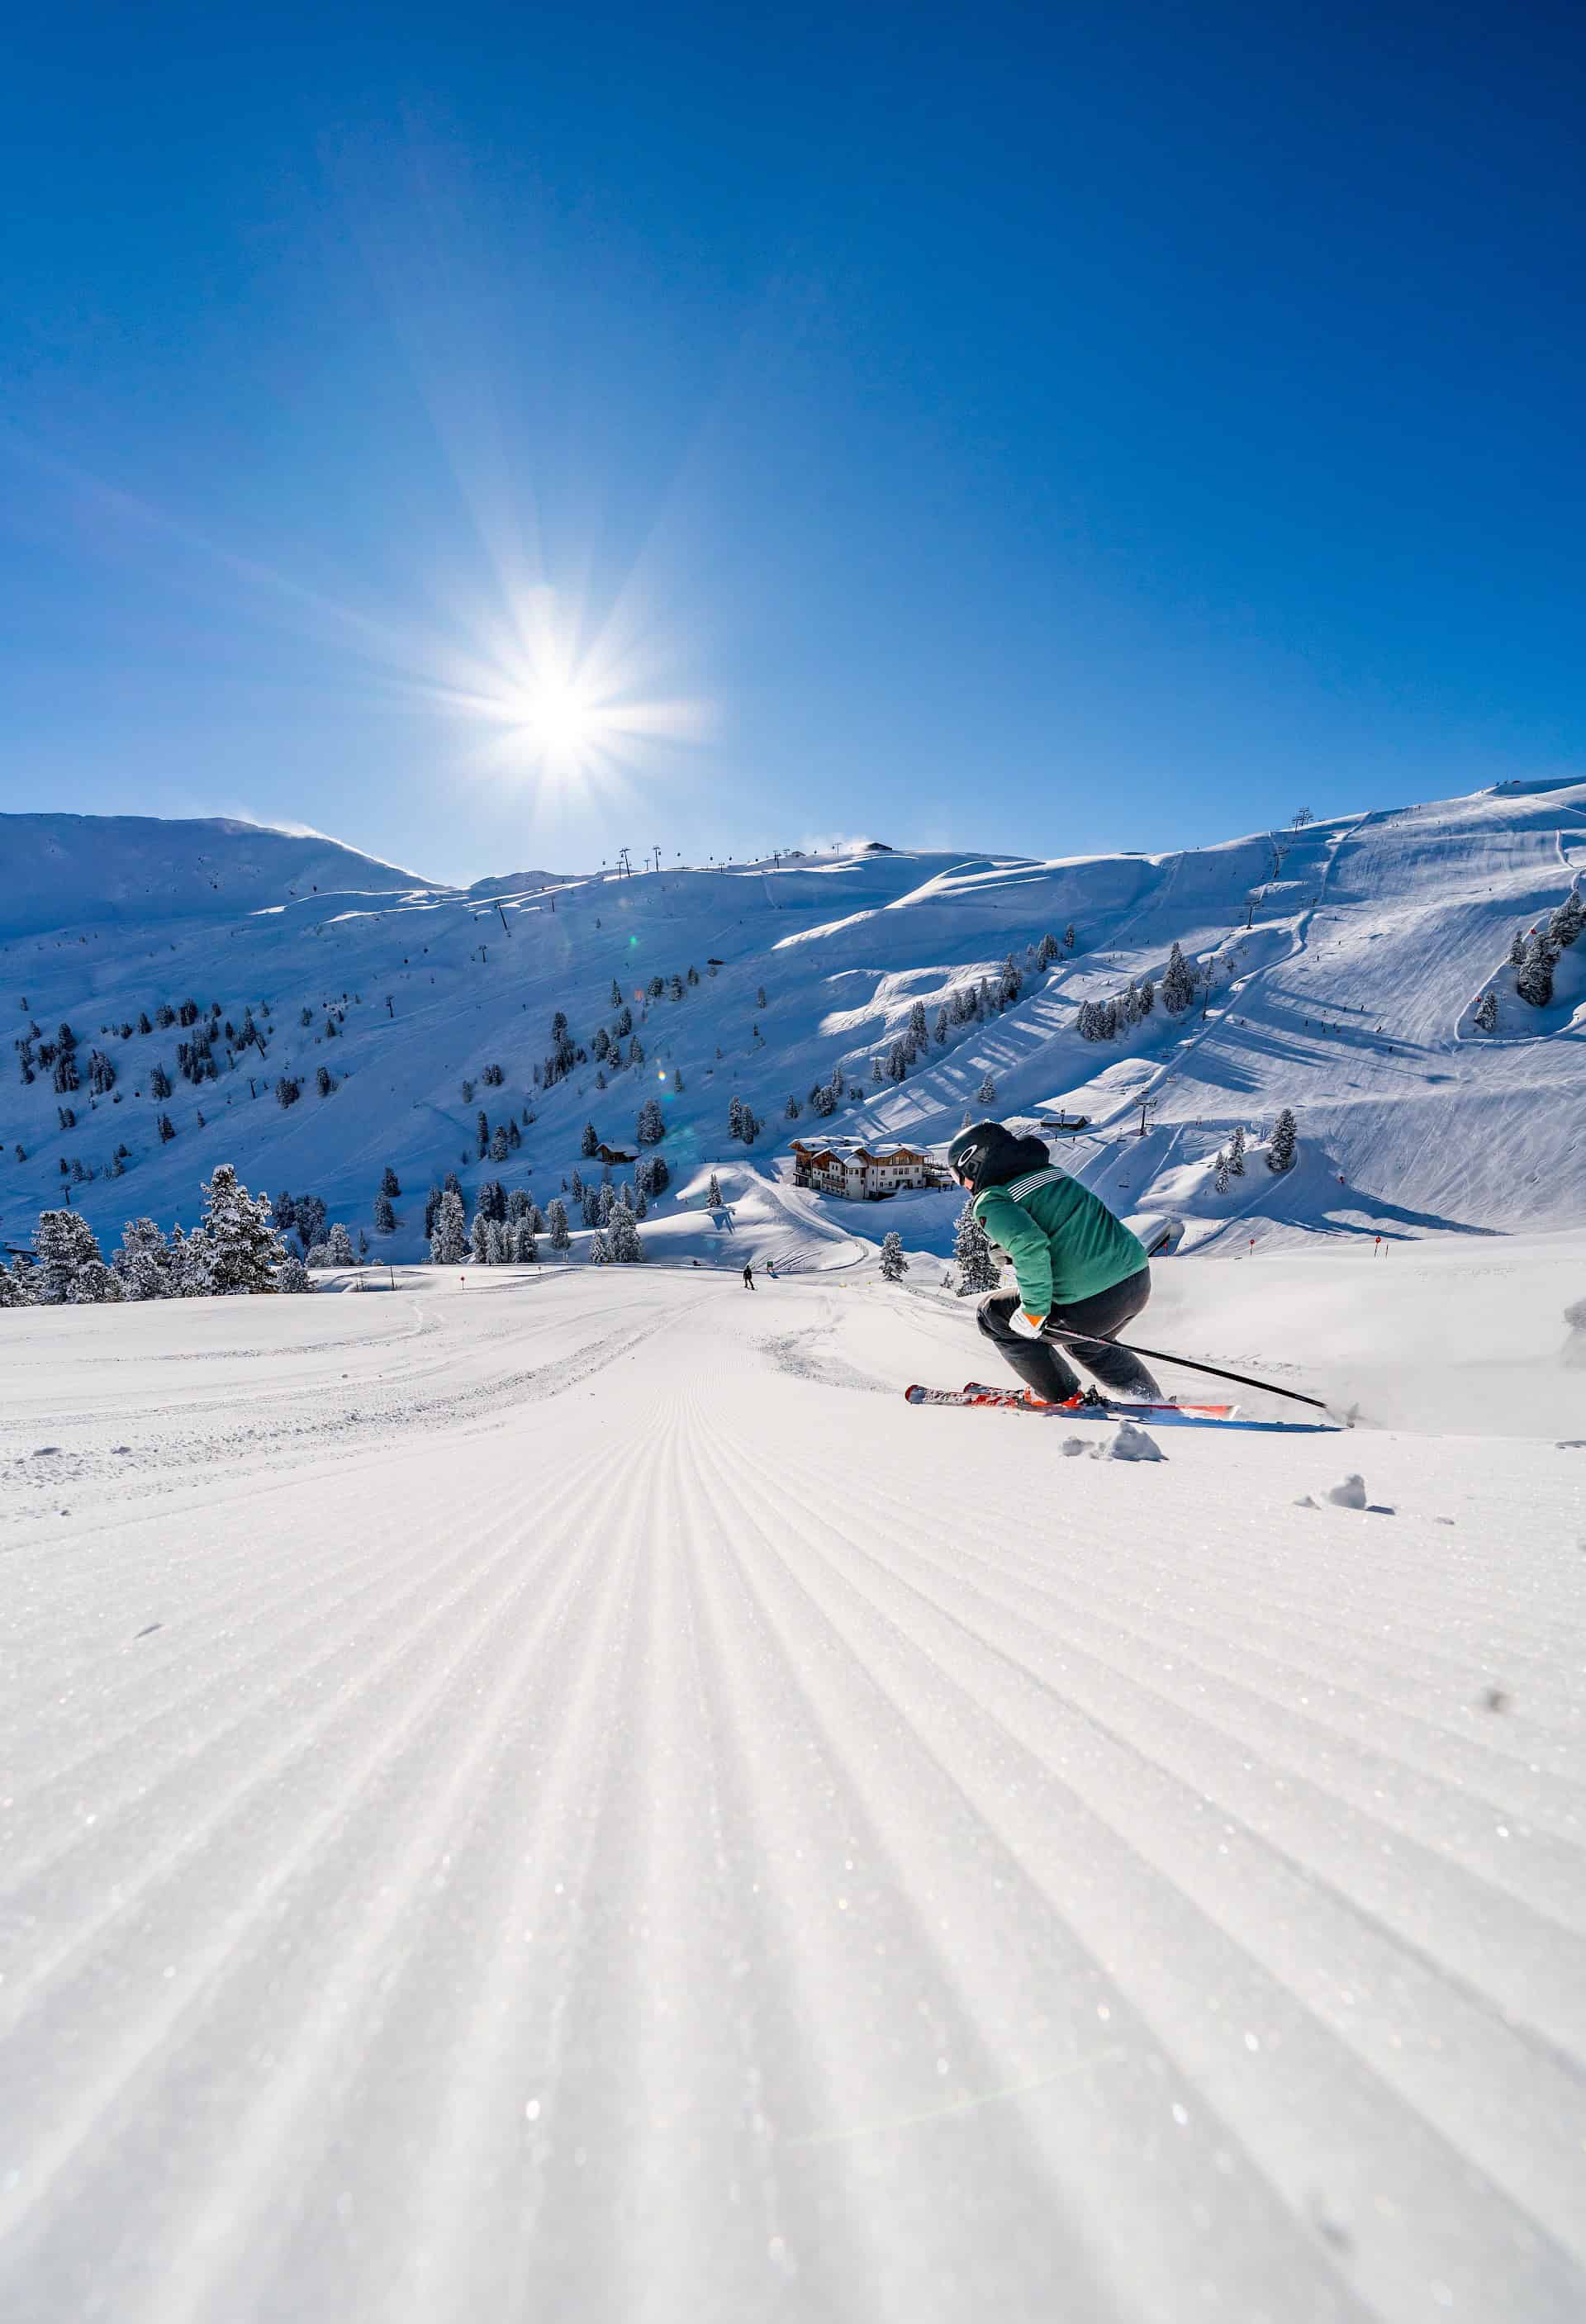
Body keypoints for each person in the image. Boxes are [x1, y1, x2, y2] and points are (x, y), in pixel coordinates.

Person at [947, 1119, 1163, 1406]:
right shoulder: (1050, 1174)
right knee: (1088, 1343)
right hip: (1135, 1281)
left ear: (972, 1163)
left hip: (1088, 1302)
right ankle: (1146, 1397)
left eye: (958, 1176)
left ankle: (1059, 1395)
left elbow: (1030, 1243)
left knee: (991, 1316)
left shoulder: (990, 1198)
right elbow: (1068, 1227)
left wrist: (1035, 1312)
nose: (963, 1185)